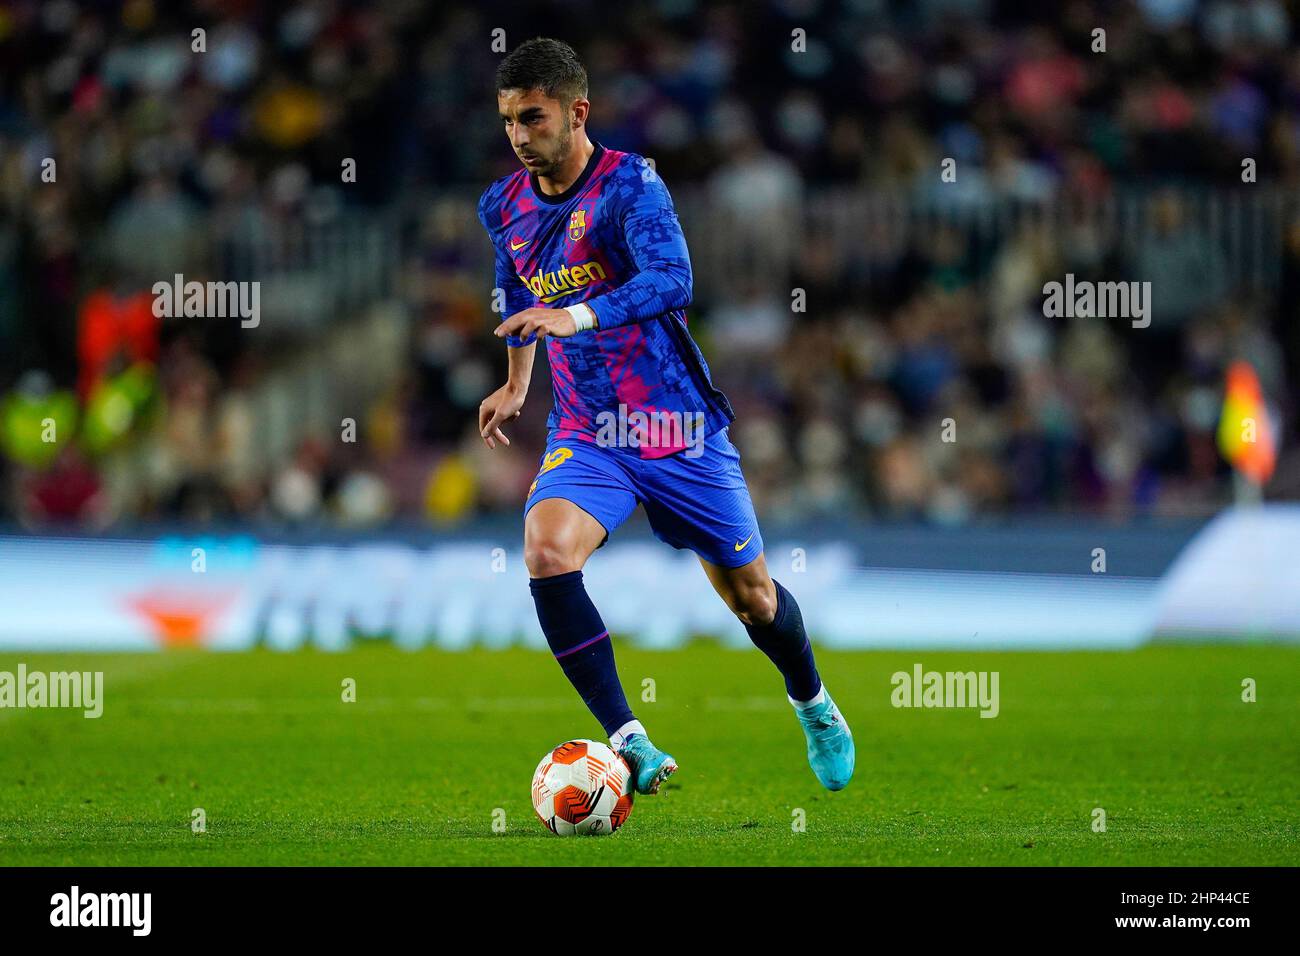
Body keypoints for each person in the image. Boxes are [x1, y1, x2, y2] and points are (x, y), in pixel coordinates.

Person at [476, 37, 854, 794]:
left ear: (577, 112)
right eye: (509, 121)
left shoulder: (631, 187)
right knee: (548, 551)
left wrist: (574, 318)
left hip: (674, 427)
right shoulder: (503, 205)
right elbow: (517, 294)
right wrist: (518, 382)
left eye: (534, 118)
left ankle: (812, 702)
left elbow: (672, 280)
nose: (519, 136)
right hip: (589, 431)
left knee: (753, 598)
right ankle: (630, 741)